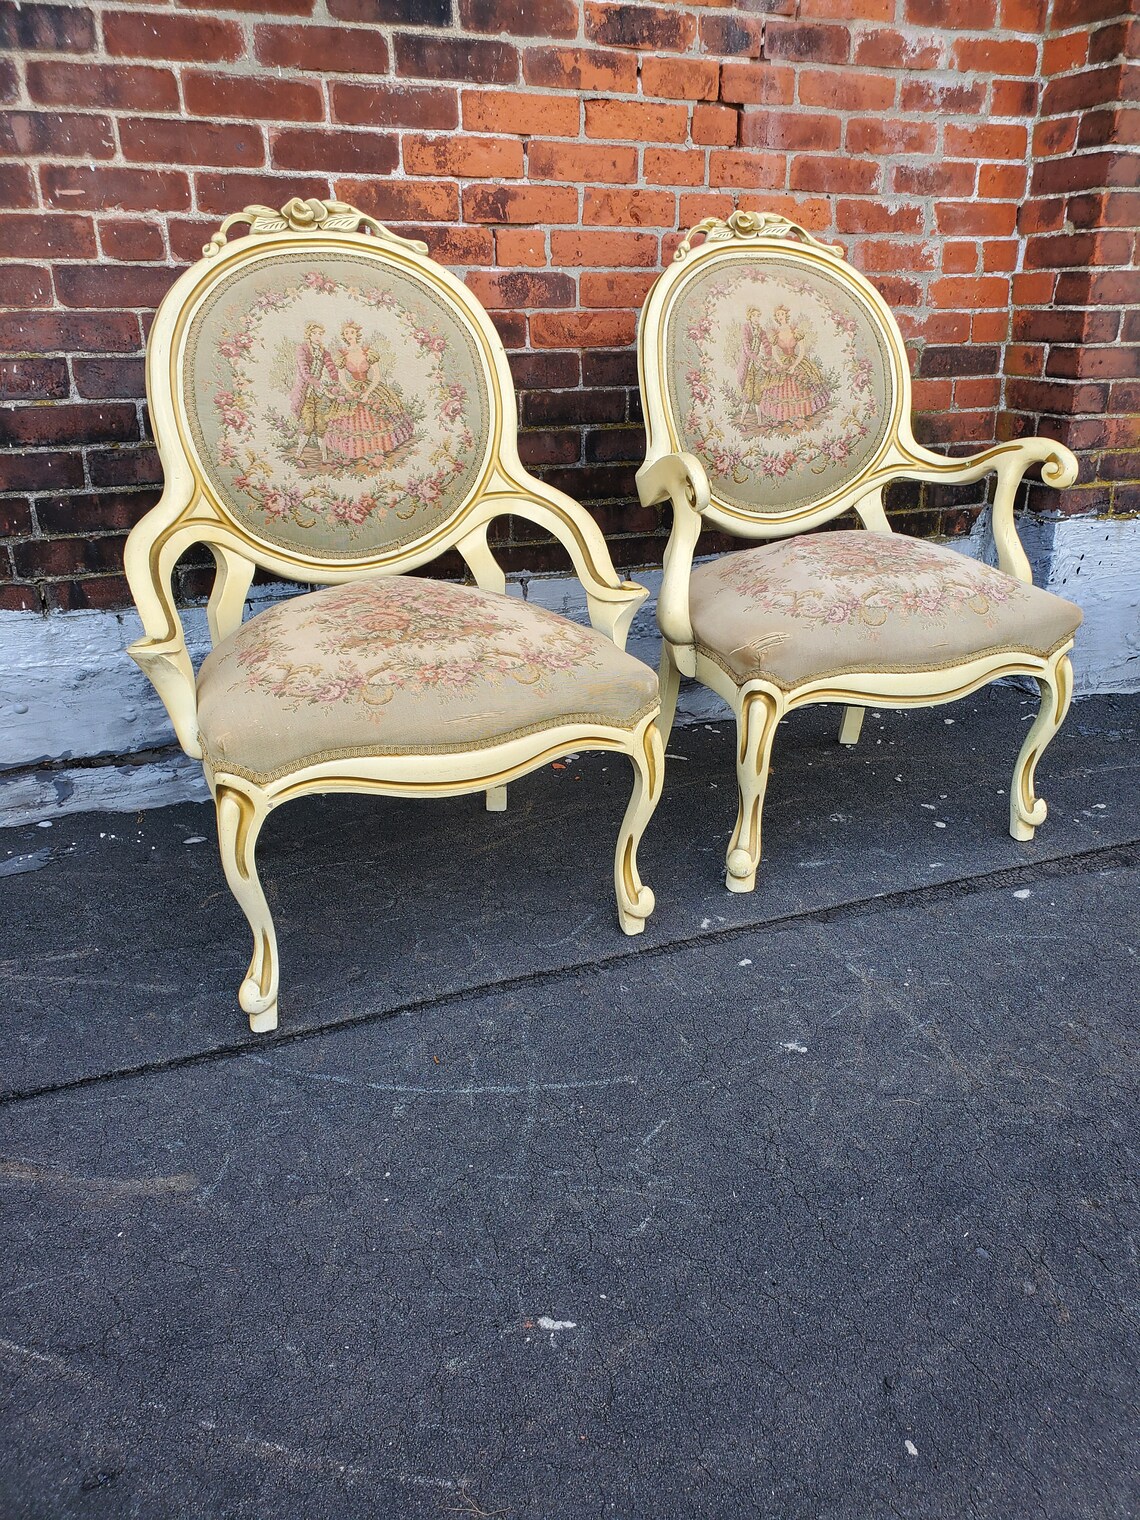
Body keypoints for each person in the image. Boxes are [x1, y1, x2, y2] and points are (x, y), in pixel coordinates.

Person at [325, 320, 415, 464]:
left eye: (352, 332)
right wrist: (352, 393)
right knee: (352, 420)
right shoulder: (343, 355)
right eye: (346, 333)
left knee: (377, 416)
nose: (349, 335)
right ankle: (355, 451)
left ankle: (380, 447)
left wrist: (367, 393)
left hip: (370, 387)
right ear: (344, 335)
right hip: (353, 389)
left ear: (357, 334)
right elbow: (342, 379)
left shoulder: (368, 353)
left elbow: (377, 376)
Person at [738, 304, 831, 431]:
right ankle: (784, 416)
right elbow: (773, 352)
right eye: (777, 315)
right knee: (779, 388)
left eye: (782, 314)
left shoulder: (795, 331)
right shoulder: (775, 334)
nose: (780, 316)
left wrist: (794, 365)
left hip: (796, 361)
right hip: (782, 362)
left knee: (800, 384)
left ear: (786, 315)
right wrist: (780, 365)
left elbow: (802, 351)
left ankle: (801, 413)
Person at [289, 322, 339, 464]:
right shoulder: (302, 350)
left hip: (319, 394)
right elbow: (305, 373)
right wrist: (321, 386)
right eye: (314, 333)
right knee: (308, 425)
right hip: (306, 393)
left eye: (320, 334)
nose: (318, 336)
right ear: (309, 335)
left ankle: (324, 458)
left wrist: (336, 381)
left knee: (321, 424)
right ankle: (298, 455)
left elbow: (332, 369)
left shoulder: (324, 352)